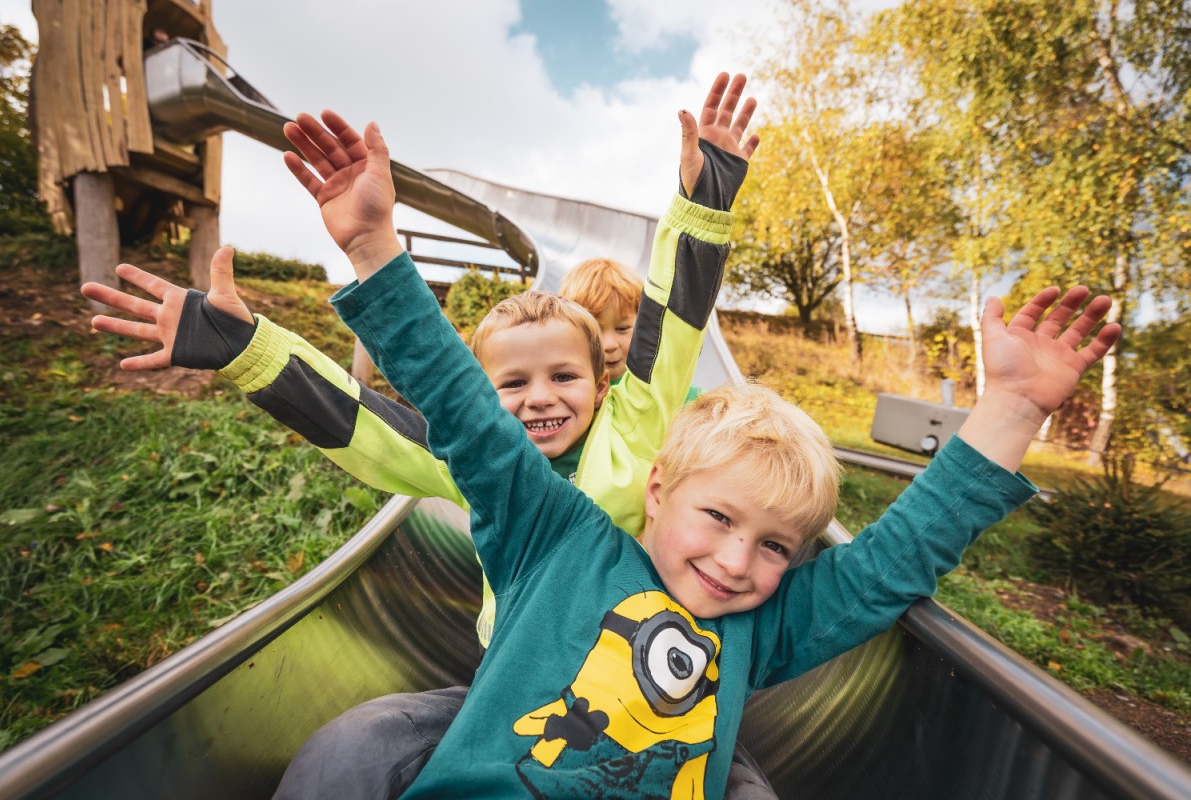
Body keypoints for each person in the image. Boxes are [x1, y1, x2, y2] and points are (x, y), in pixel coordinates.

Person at [274, 93, 1120, 796]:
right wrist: (372, 247)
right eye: (718, 516)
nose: (736, 560)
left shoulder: (768, 625)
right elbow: (467, 414)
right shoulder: (555, 539)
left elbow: (894, 560)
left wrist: (1011, 405)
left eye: (776, 545)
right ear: (655, 490)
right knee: (346, 750)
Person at [84, 74, 777, 799]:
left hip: (668, 703)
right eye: (513, 386)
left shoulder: (633, 435)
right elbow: (357, 420)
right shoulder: (482, 465)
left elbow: (671, 329)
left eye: (564, 378)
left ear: (602, 383)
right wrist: (246, 349)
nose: (540, 398)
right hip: (521, 693)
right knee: (350, 749)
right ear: (483, 396)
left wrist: (704, 203)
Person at [559, 257, 701, 400]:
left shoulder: (658, 383)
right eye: (594, 332)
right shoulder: (571, 391)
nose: (609, 345)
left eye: (622, 328)